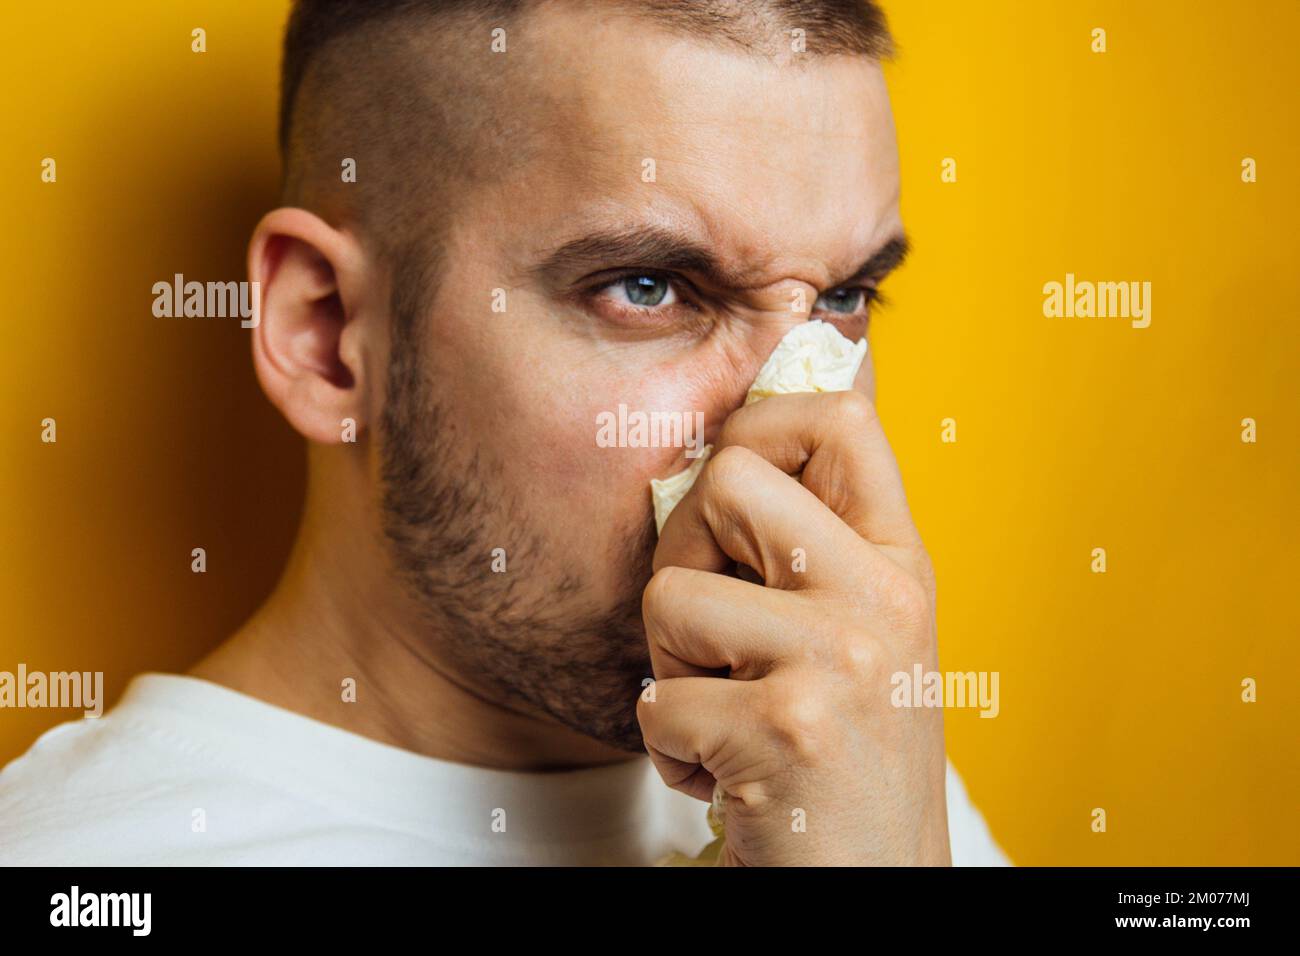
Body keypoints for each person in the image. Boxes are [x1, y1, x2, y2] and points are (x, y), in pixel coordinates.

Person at [0, 0, 1008, 866]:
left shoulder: (851, 774)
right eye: (646, 288)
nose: (791, 438)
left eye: (844, 295)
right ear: (326, 336)